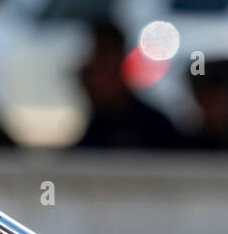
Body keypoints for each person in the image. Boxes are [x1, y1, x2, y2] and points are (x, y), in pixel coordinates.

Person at [73, 20, 182, 149]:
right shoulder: (97, 126)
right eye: (89, 71)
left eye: (103, 67)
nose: (91, 78)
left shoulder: (154, 128)